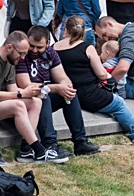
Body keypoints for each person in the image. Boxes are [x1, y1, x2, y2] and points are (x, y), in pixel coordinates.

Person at [54, 17, 134, 144]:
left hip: (66, 92)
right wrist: (110, 79)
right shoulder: (87, 47)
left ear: (65, 29)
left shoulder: (54, 48)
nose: (106, 39)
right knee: (118, 104)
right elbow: (102, 74)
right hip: (88, 94)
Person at [0, 32, 57, 162]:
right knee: (18, 105)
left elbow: (13, 89)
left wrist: (31, 91)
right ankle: (39, 150)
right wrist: (22, 93)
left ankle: (26, 150)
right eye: (21, 53)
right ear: (9, 47)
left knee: (36, 102)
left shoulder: (10, 60)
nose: (24, 57)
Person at [17, 26, 99, 159]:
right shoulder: (22, 55)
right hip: (25, 99)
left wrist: (65, 86)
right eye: (32, 46)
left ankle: (80, 142)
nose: (34, 50)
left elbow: (62, 77)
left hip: (42, 97)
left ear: (47, 44)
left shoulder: (51, 53)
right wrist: (55, 88)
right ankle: (50, 145)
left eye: (39, 47)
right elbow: (26, 85)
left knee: (69, 94)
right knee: (43, 95)